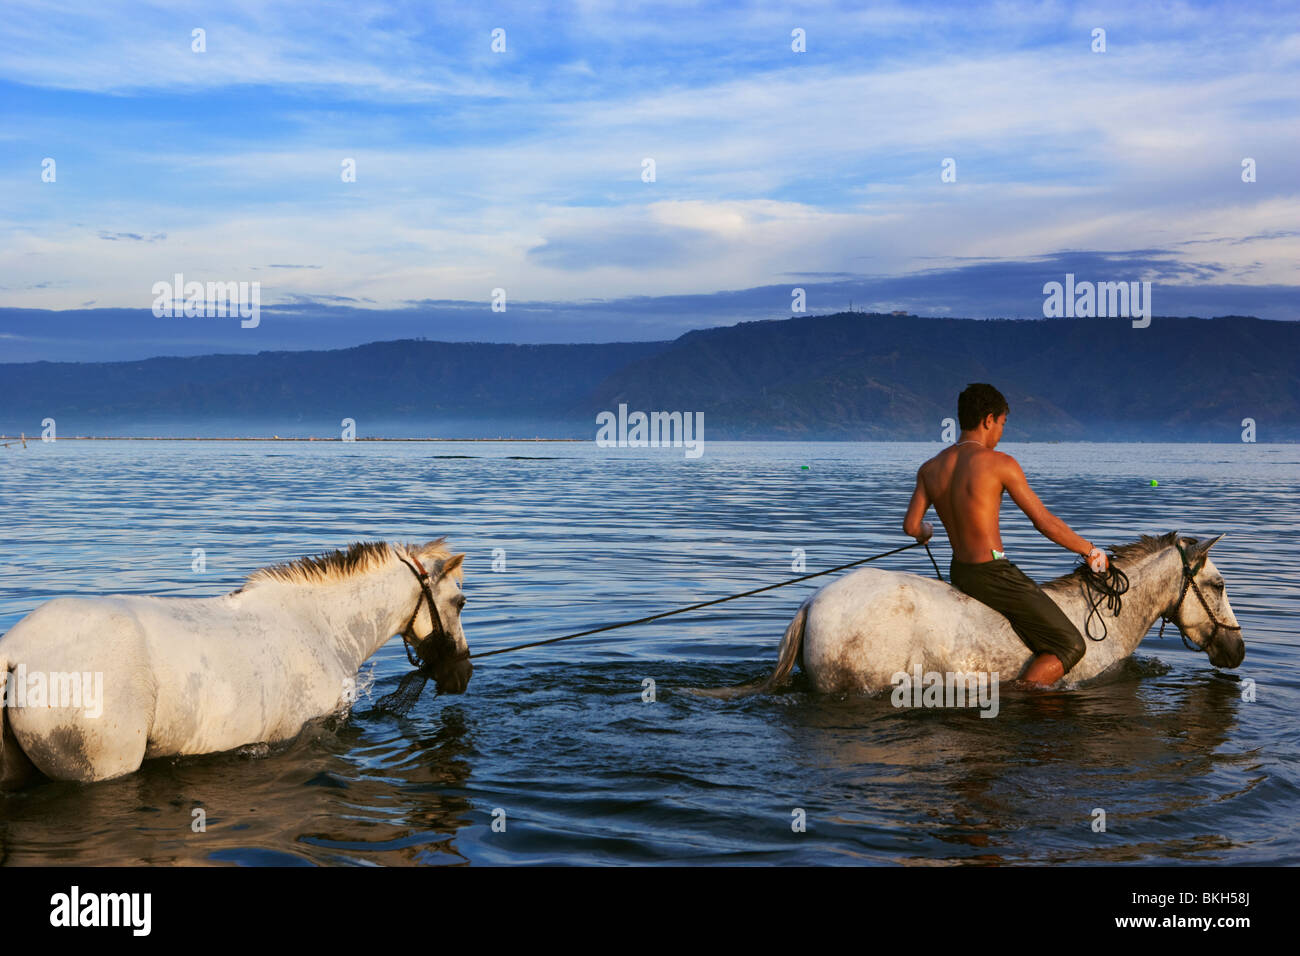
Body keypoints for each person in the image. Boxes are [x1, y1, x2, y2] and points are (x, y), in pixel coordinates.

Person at [901, 383, 1108, 687]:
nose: (1001, 432)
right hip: (993, 574)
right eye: (1002, 424)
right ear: (988, 420)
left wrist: (926, 530)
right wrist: (1090, 551)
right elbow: (1044, 521)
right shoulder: (1001, 463)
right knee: (1070, 646)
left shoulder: (930, 468)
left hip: (960, 572)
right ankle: (1024, 705)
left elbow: (910, 527)